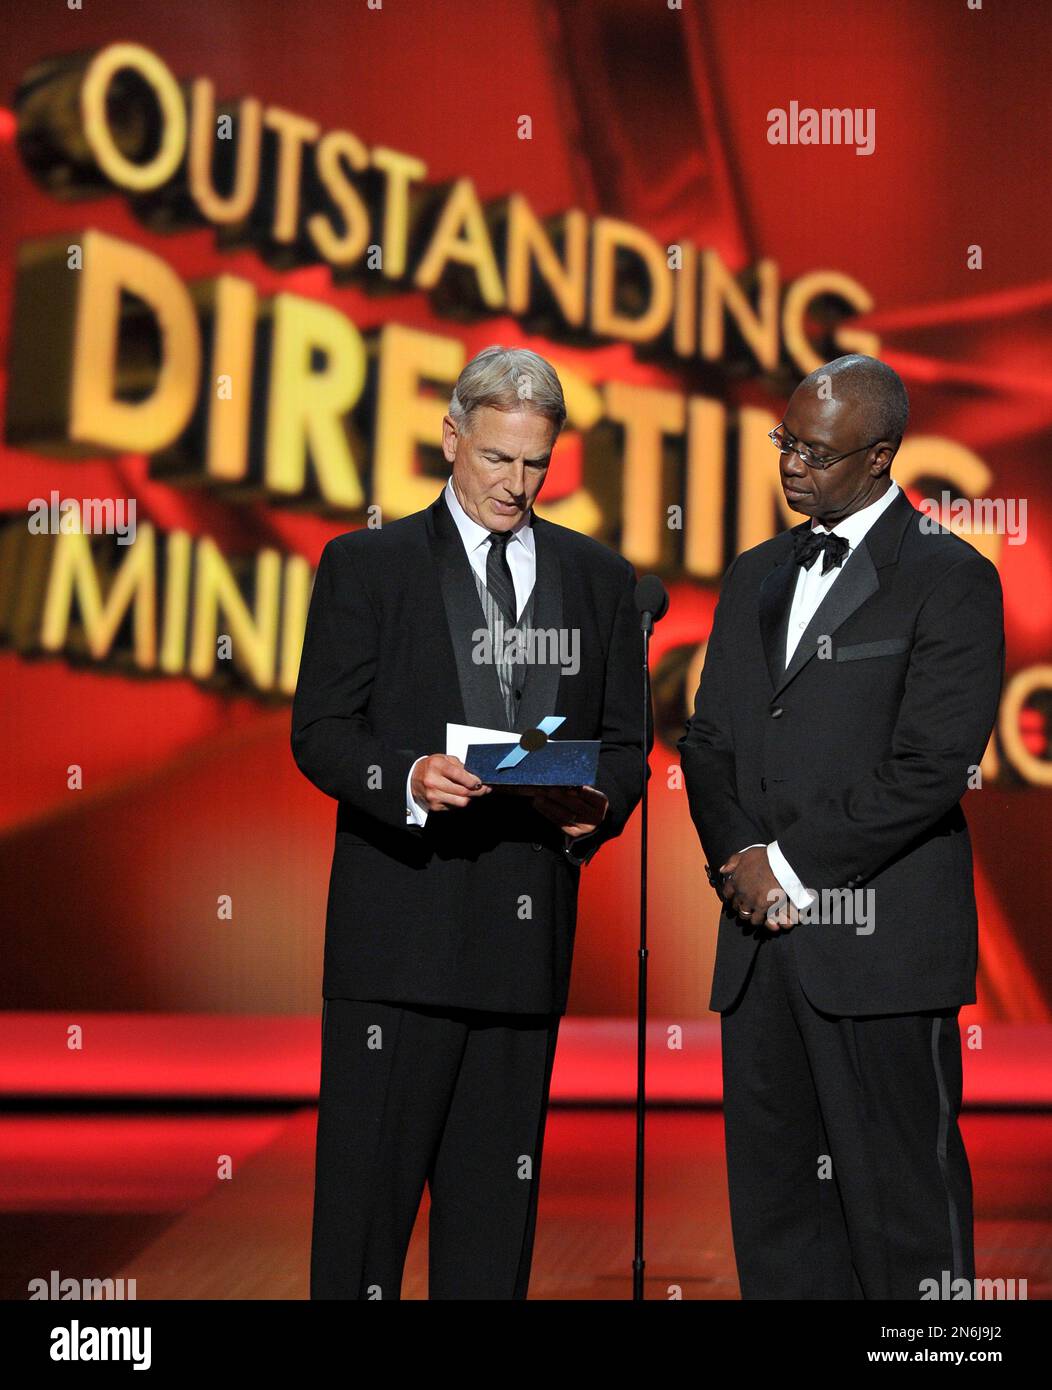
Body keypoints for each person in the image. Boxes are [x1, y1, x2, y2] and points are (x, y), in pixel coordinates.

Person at [292, 344, 651, 1299]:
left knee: (493, 1232)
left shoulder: (601, 579)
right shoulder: (367, 565)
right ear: (451, 439)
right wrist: (405, 773)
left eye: (535, 463)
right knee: (362, 1224)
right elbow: (321, 731)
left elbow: (624, 748)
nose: (515, 483)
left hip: (519, 947)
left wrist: (595, 804)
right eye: (497, 459)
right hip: (395, 943)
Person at [678, 353, 1005, 1299]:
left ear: (882, 458)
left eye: (816, 455)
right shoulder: (751, 577)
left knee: (906, 1218)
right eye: (785, 443)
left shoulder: (948, 578)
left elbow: (930, 768)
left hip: (881, 951)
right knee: (779, 1220)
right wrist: (740, 858)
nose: (791, 467)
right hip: (759, 952)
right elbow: (707, 741)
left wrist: (785, 864)